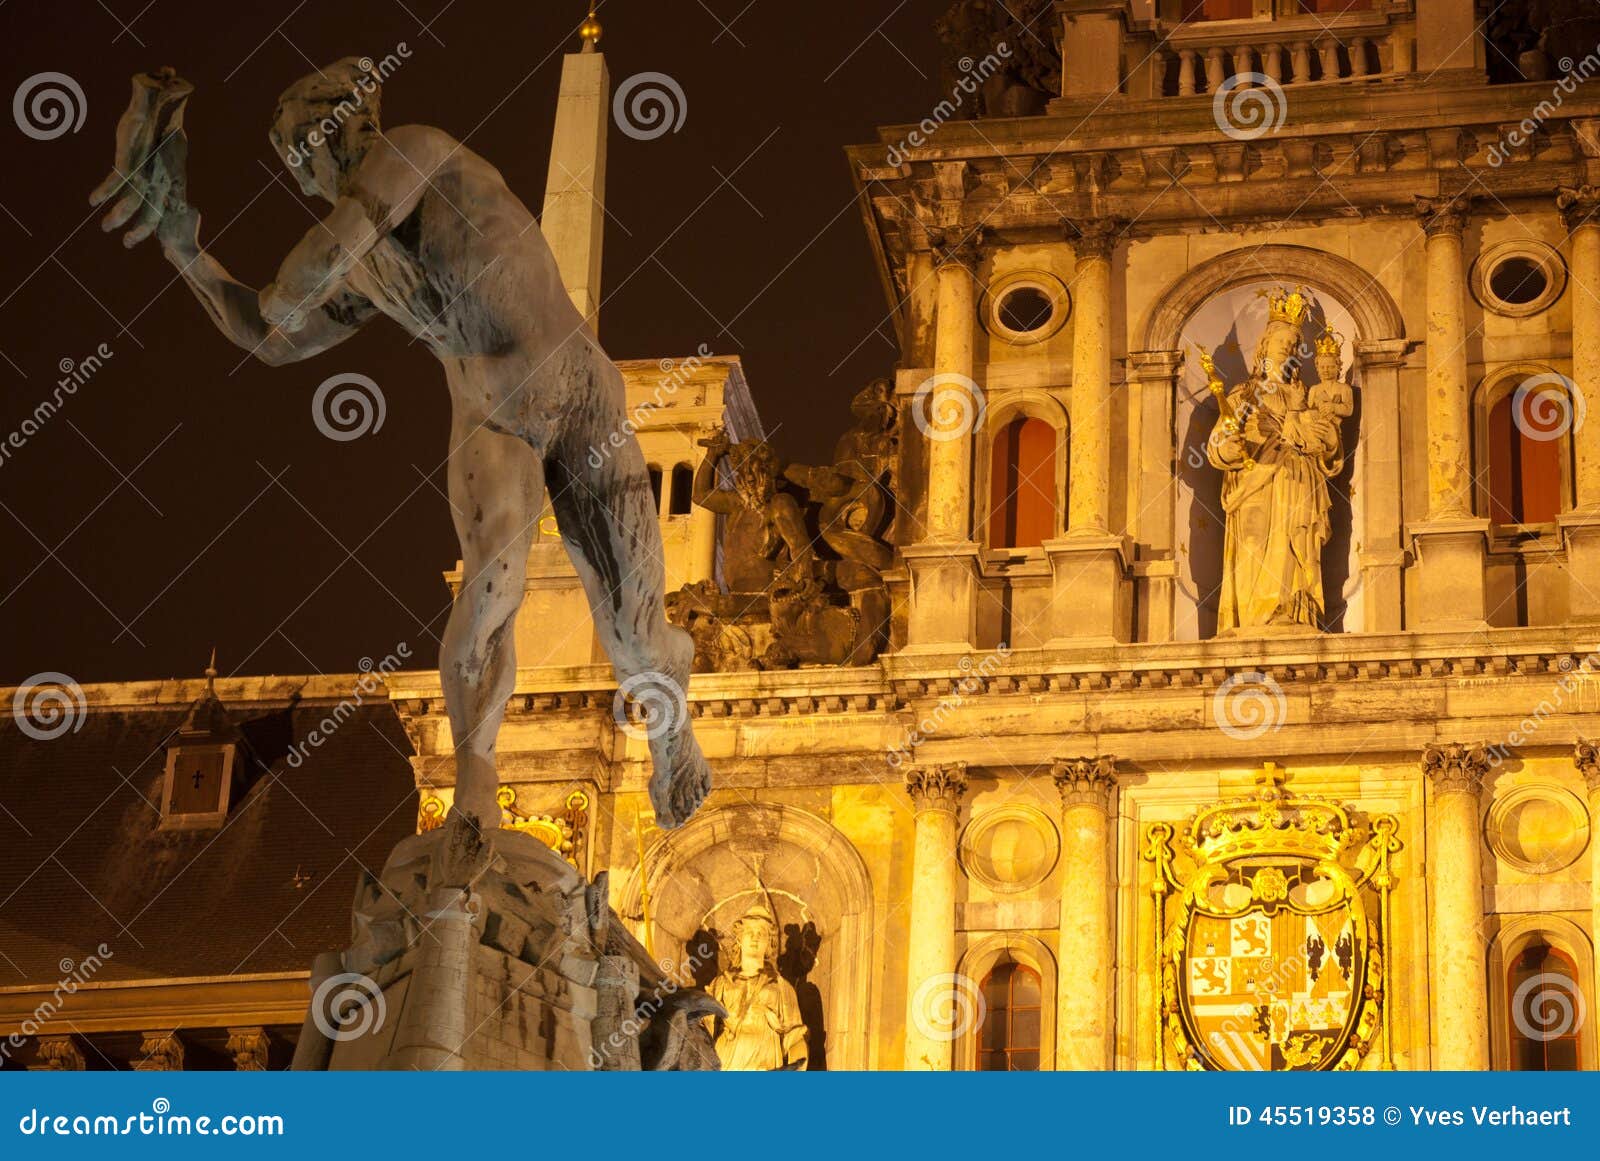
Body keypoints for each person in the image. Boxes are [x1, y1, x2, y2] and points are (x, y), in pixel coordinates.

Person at [90, 60, 710, 828]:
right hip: (494, 410)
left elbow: (309, 269)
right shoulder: (365, 265)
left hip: (582, 390)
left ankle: (672, 731)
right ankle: (476, 778)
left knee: (634, 631)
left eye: (298, 148)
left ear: (345, 127)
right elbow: (272, 340)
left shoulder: (413, 152)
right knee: (491, 591)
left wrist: (285, 282)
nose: (298, 171)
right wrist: (184, 246)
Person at [707, 903, 809, 1071]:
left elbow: (795, 1038)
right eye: (750, 933)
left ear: (770, 942)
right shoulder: (720, 984)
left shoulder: (782, 988)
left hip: (765, 1062)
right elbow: (705, 1031)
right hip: (727, 1062)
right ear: (739, 938)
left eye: (761, 934)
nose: (755, 938)